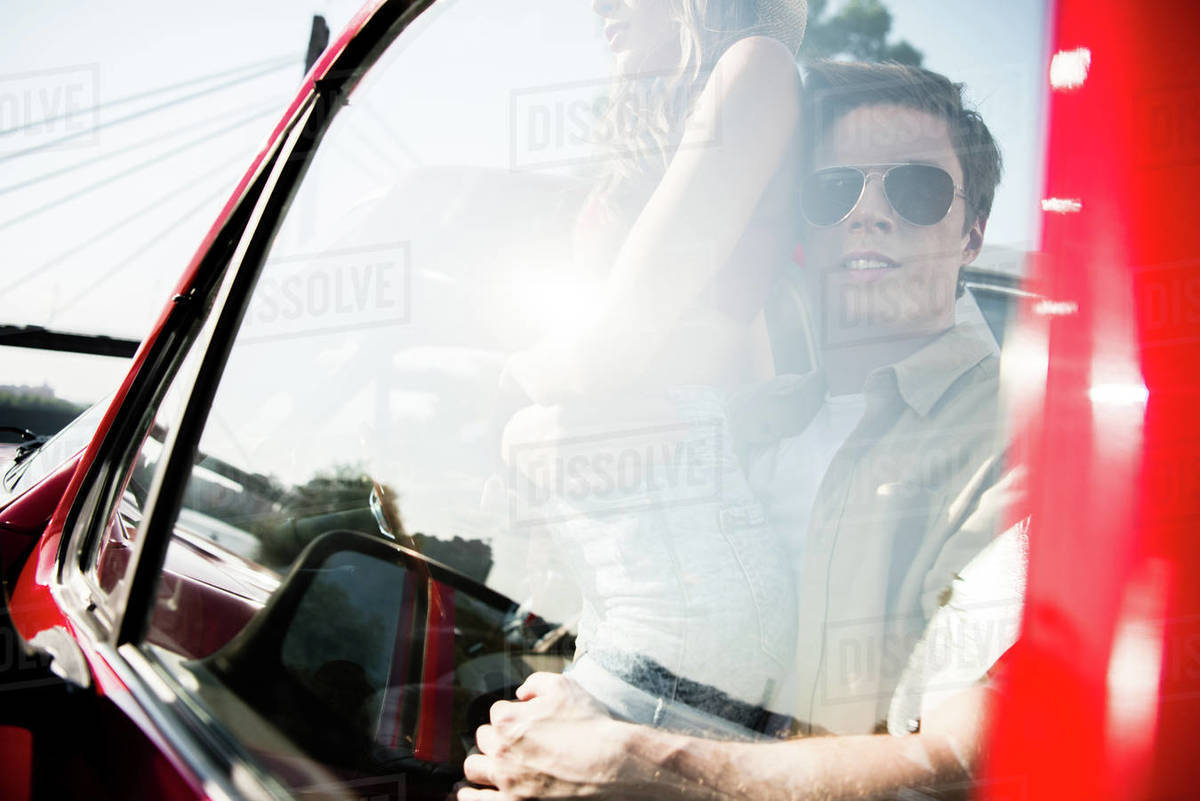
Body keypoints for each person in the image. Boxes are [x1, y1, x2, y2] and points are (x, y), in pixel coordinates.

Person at [463, 60, 1025, 799]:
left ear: (973, 232)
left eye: (915, 190)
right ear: (803, 231)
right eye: (834, 190)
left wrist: (631, 761)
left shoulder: (1021, 441)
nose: (869, 211)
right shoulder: (744, 418)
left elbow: (960, 750)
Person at [497, 0, 812, 737]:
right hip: (645, 574)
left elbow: (608, 348)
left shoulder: (755, 64)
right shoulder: (681, 103)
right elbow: (739, 358)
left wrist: (512, 410)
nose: (597, 5)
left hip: (680, 581)